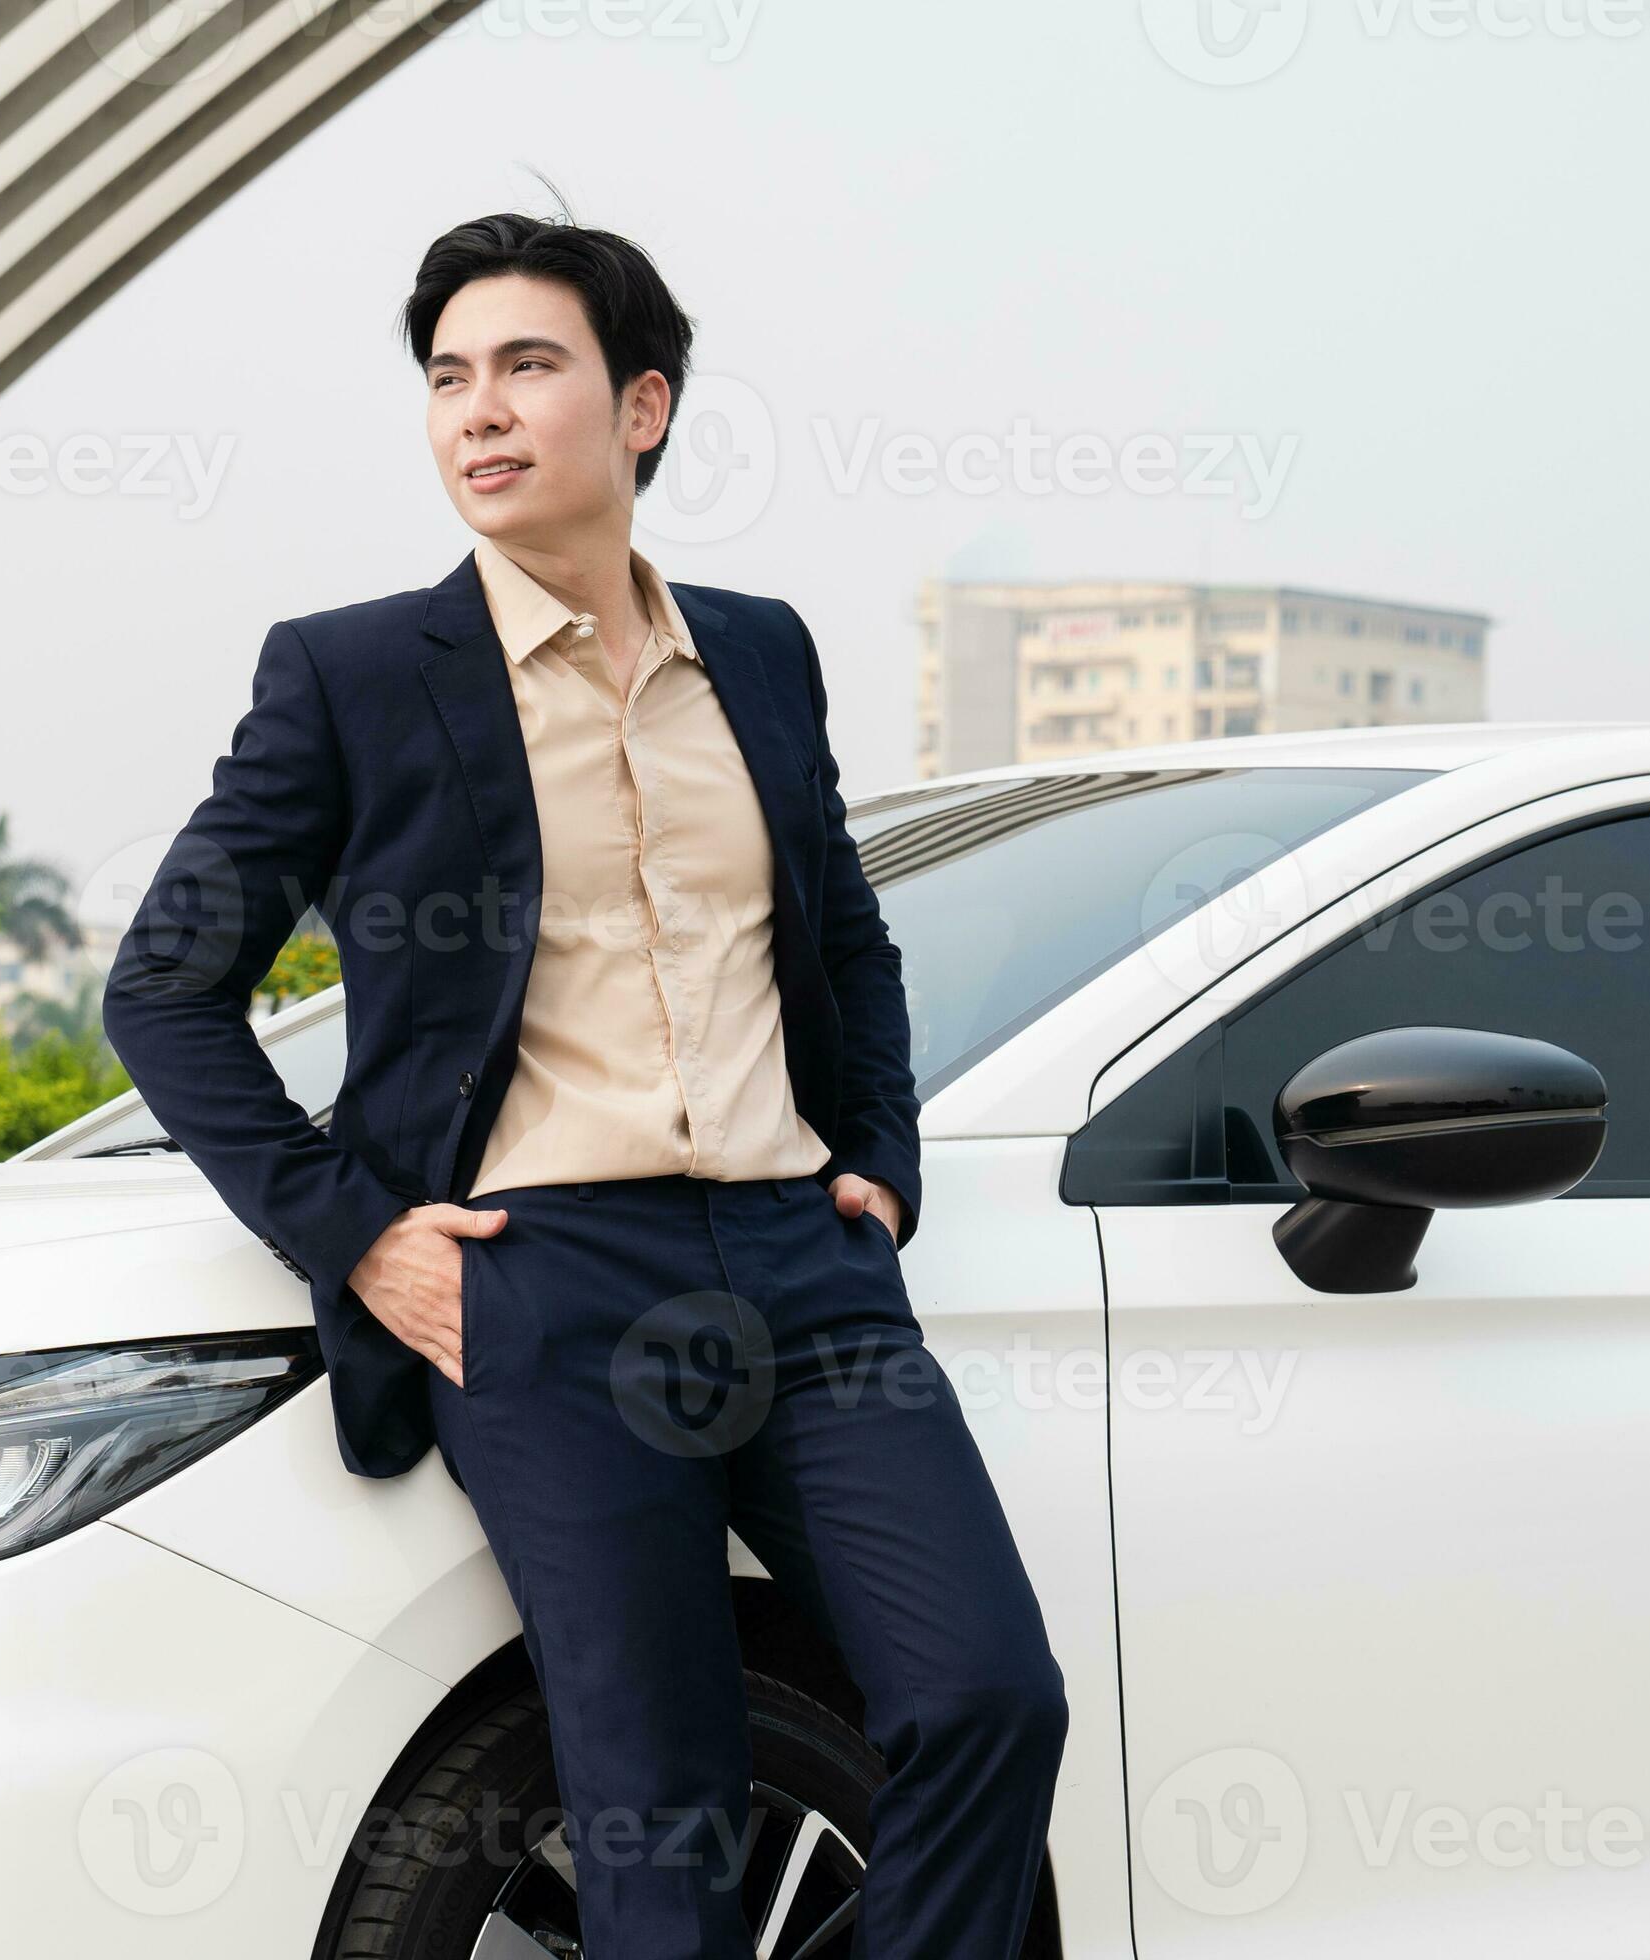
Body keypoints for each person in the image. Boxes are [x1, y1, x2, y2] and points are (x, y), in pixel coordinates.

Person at [100, 211, 1068, 1959]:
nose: (478, 410)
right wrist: (358, 1236)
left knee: (991, 1696)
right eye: (447, 377)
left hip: (808, 1270)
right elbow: (165, 987)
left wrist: (881, 1158)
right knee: (655, 1802)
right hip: (547, 1290)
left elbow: (844, 937)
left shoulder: (760, 652)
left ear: (642, 406)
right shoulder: (355, 677)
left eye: (527, 366)